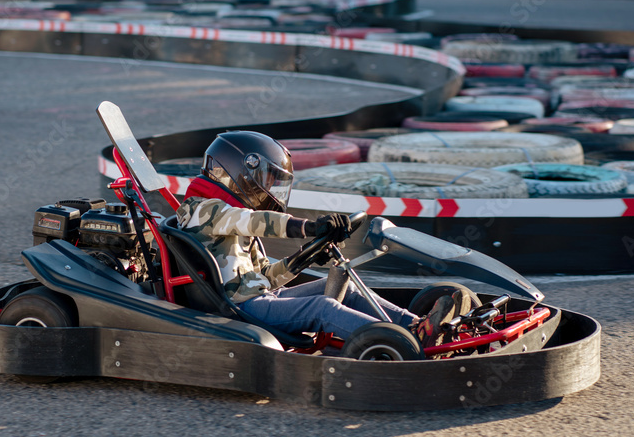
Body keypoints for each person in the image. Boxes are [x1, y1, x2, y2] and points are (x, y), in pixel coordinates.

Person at [175, 131, 459, 348]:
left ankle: (417, 327)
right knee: (322, 307)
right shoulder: (202, 209)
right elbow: (258, 221)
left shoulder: (231, 219)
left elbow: (266, 278)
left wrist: (305, 256)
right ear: (241, 171)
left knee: (339, 288)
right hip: (240, 308)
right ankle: (403, 342)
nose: (271, 188)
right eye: (267, 179)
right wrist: (310, 227)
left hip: (260, 297)